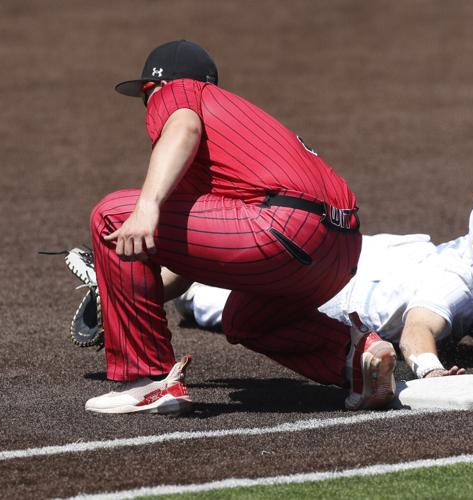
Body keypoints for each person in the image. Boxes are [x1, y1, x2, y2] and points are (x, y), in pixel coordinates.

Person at [80, 40, 395, 415]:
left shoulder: (179, 92)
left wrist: (146, 207)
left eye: (145, 96)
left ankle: (145, 380)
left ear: (155, 88)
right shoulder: (237, 135)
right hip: (339, 251)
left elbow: (183, 127)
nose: (147, 106)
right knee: (246, 321)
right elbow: (187, 261)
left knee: (113, 214)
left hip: (284, 227)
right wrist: (122, 298)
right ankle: (357, 359)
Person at [169, 182, 473, 378]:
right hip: (350, 289)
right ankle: (136, 277)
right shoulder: (453, 282)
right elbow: (416, 332)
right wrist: (431, 371)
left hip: (394, 259)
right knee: (217, 292)